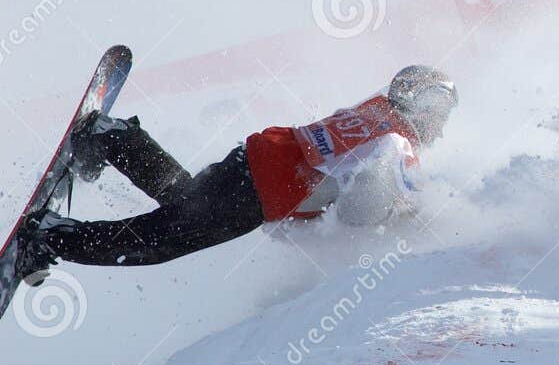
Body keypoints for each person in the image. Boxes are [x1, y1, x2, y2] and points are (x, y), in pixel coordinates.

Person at [14, 65, 458, 283]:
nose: (440, 123)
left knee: (181, 197)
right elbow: (363, 210)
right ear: (416, 105)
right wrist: (407, 214)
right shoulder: (396, 143)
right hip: (260, 192)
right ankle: (49, 235)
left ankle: (112, 138)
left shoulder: (377, 109)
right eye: (437, 110)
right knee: (155, 244)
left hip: (253, 157)